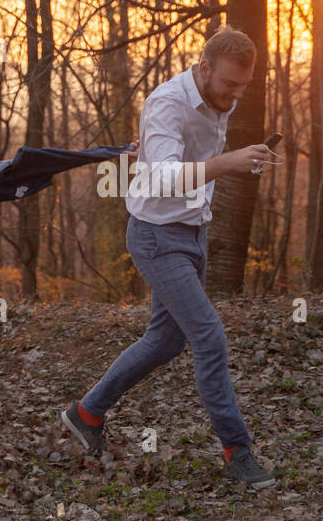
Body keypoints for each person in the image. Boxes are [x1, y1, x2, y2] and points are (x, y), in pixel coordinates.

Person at [60, 26, 279, 489]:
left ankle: (86, 413)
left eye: (243, 86)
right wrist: (229, 162)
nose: (236, 95)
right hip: (157, 238)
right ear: (203, 69)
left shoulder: (218, 97)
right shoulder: (167, 102)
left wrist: (242, 160)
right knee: (208, 334)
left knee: (165, 341)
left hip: (193, 233)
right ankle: (237, 451)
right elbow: (162, 181)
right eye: (228, 85)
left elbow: (185, 157)